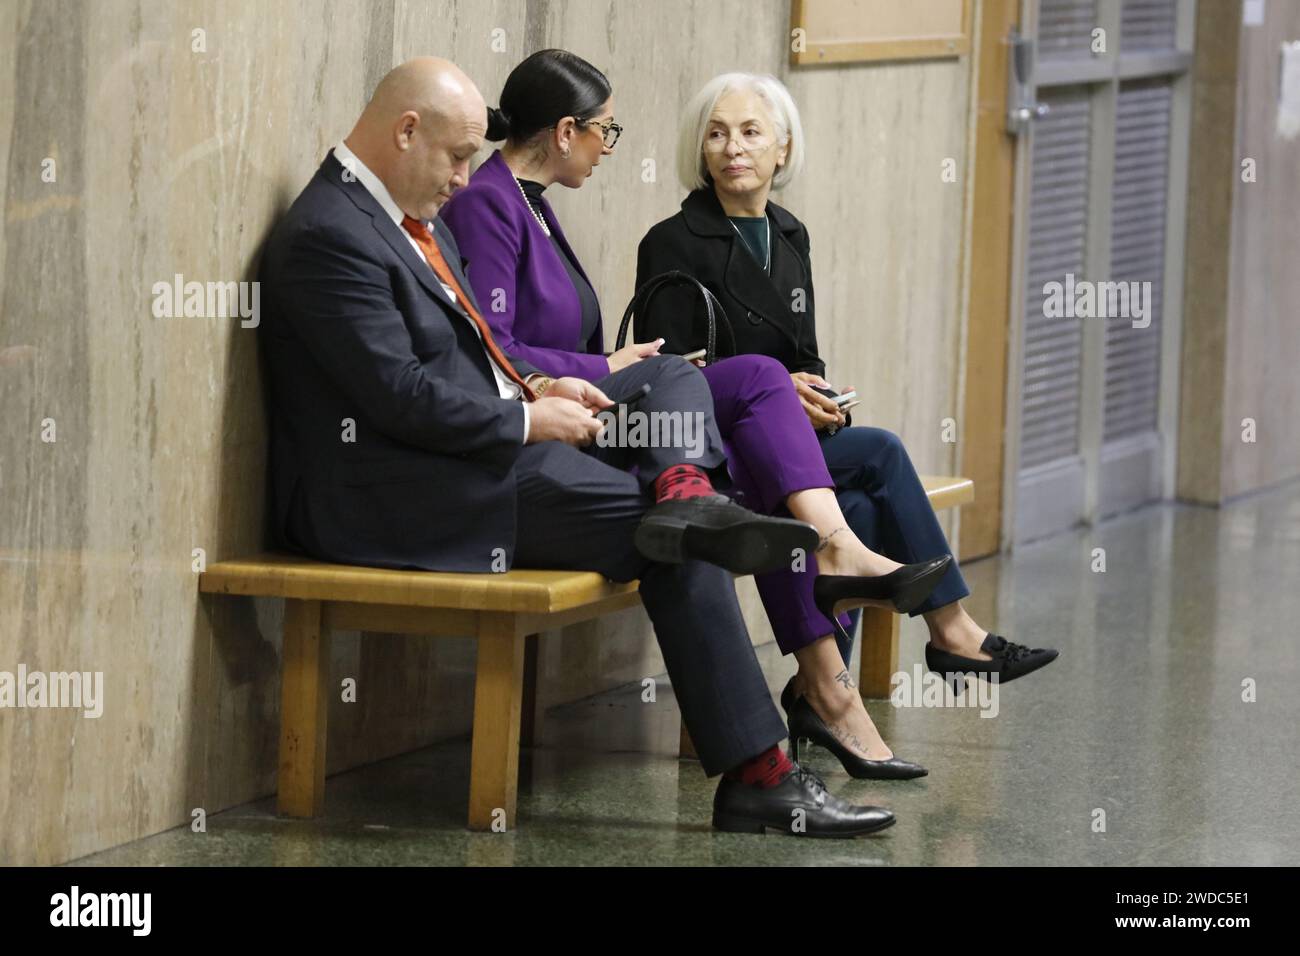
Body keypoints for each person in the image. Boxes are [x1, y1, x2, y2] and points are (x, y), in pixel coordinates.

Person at [257, 55, 895, 836]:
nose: (467, 178)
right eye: (459, 158)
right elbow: (397, 397)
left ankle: (684, 489)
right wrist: (528, 419)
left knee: (666, 376)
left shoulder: (397, 214)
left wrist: (540, 388)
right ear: (406, 131)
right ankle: (762, 775)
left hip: (474, 455)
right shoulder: (332, 235)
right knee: (683, 544)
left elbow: (481, 350)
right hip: (397, 492)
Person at [440, 50, 969, 778]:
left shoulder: (530, 202)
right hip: (569, 430)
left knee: (797, 445)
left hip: (610, 413)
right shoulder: (488, 202)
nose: (607, 148)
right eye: (605, 132)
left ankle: (834, 669)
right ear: (565, 132)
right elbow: (494, 347)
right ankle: (832, 659)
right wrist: (612, 367)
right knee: (759, 407)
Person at [634, 71, 1060, 760]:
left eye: (749, 133)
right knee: (875, 462)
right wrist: (773, 387)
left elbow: (805, 355)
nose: (731, 149)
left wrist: (817, 394)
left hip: (783, 446)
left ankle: (824, 689)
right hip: (709, 458)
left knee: (862, 490)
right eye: (716, 134)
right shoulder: (673, 241)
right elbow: (665, 375)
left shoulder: (790, 235)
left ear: (782, 148)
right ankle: (944, 638)